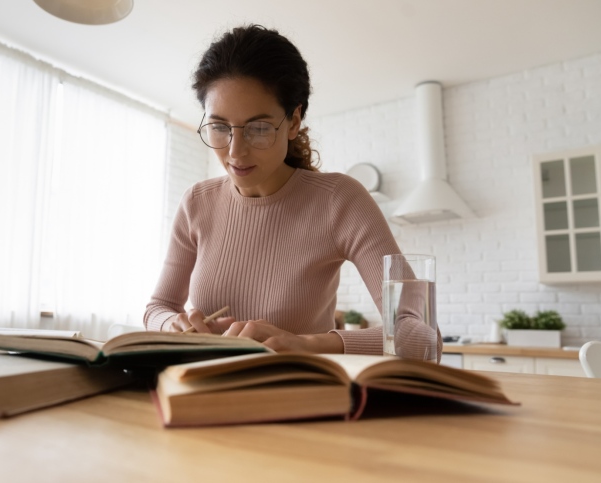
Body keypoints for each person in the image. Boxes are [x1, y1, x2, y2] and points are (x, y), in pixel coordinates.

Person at [144, 25, 440, 357]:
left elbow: (423, 334)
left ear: (294, 121)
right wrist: (174, 325)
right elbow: (158, 307)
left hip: (300, 397)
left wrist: (305, 344)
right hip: (201, 391)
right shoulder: (196, 203)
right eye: (219, 127)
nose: (235, 151)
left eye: (258, 128)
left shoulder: (339, 200)